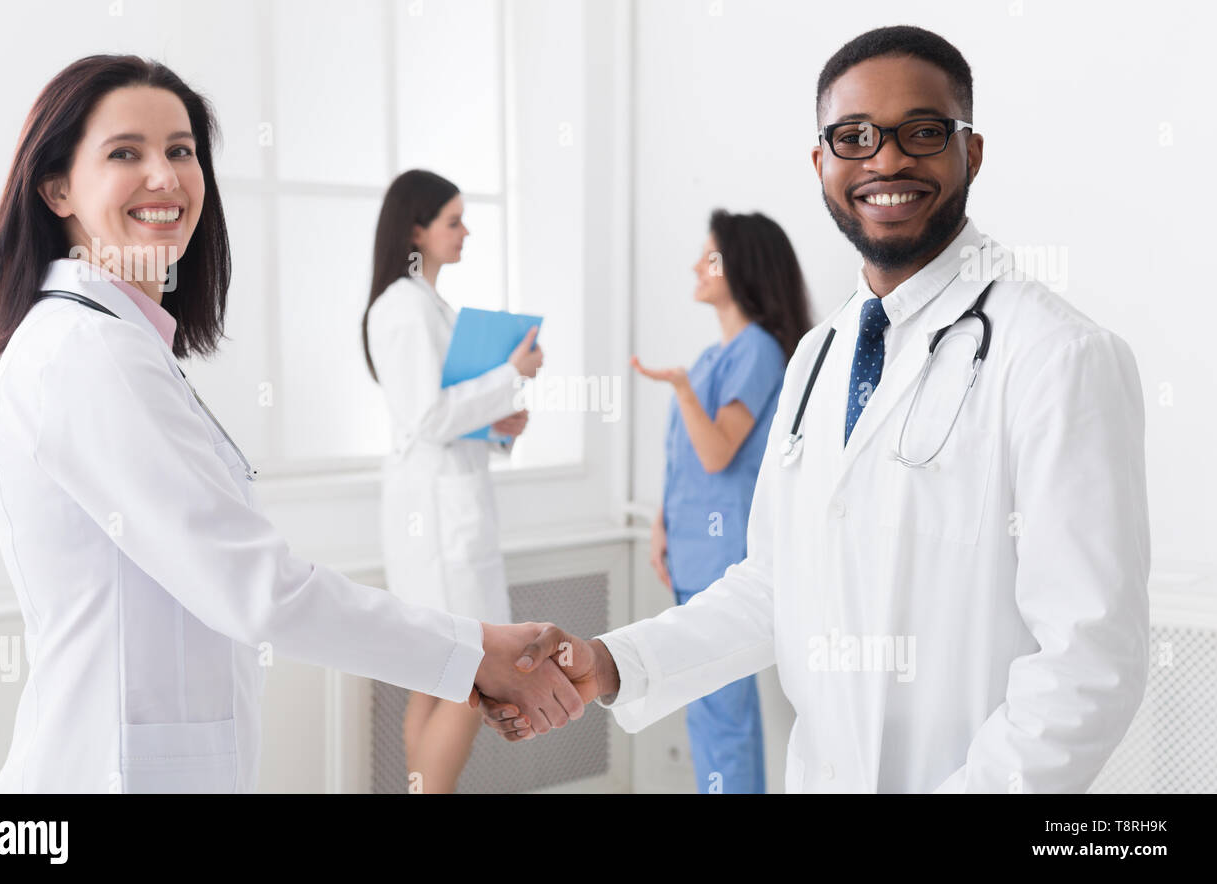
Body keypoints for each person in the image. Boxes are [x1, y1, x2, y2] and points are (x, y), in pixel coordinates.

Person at [481, 25, 1150, 794]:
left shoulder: (1058, 355)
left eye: (922, 133)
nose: (886, 159)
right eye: (854, 137)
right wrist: (611, 663)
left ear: (972, 152)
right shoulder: (818, 355)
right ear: (821, 162)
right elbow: (772, 586)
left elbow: (1089, 660)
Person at [0, 55, 579, 794]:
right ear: (57, 186)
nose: (164, 176)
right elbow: (255, 588)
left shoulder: (119, 344)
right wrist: (471, 648)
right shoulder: (84, 352)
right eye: (125, 152)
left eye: (182, 151)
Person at [363, 169, 541, 793]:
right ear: (417, 229)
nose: (466, 231)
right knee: (467, 676)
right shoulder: (403, 309)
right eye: (453, 221)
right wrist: (508, 375)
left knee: (435, 679)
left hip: (446, 505)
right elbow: (427, 416)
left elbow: (445, 414)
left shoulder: (432, 306)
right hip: (435, 523)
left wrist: (499, 421)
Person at [633, 209, 810, 793]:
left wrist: (681, 389)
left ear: (743, 267)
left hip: (723, 552)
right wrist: (661, 526)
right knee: (702, 704)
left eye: (710, 256)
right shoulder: (714, 357)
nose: (694, 266)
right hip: (690, 551)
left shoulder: (757, 351)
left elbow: (716, 453)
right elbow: (683, 458)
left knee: (722, 709)